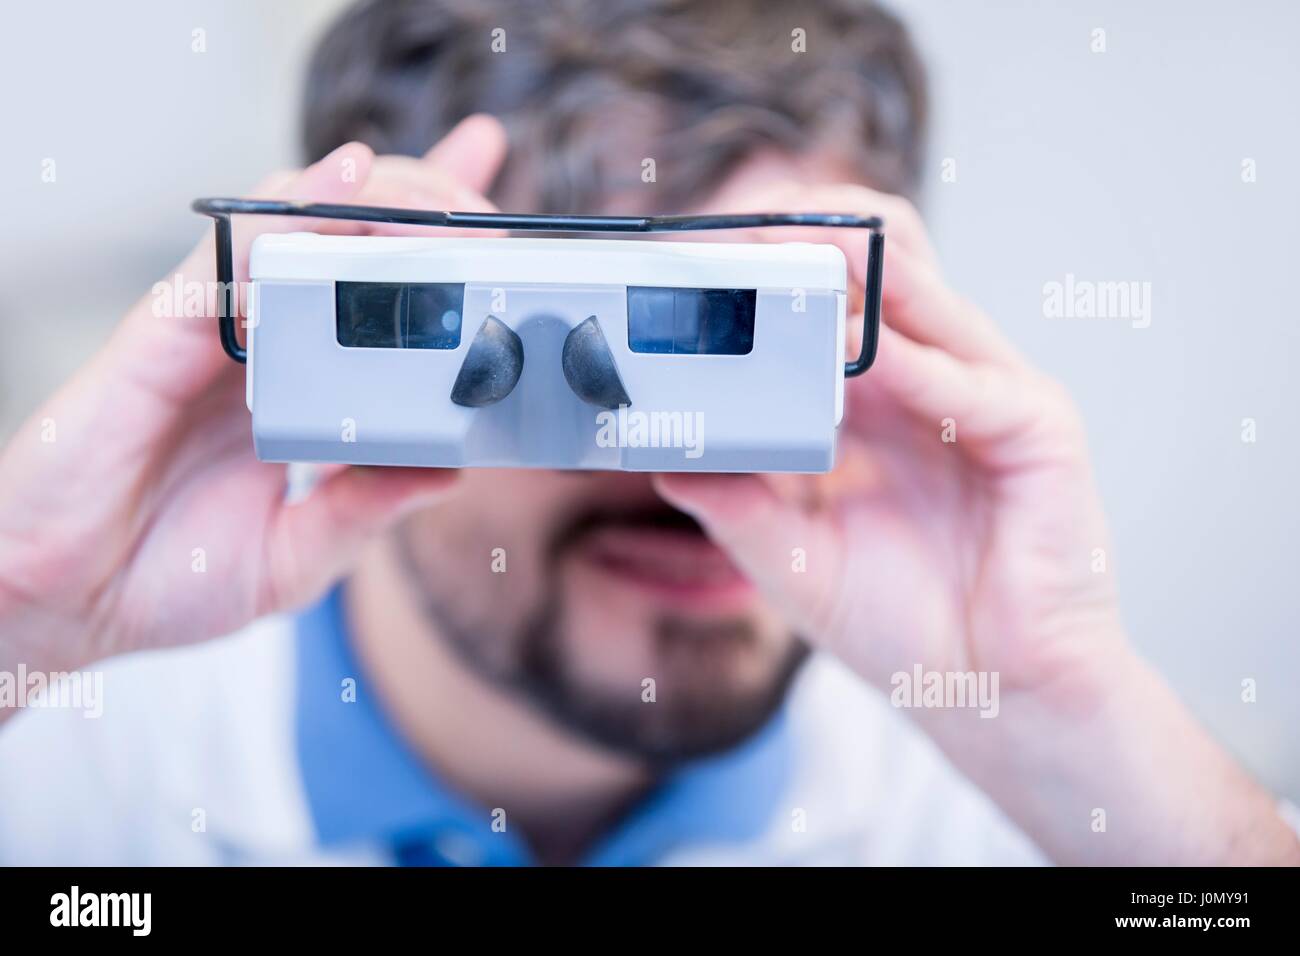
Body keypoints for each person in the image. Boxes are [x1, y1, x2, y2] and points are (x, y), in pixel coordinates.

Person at [0, 0, 1295, 866]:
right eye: (550, 340)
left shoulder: (1037, 812)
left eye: (747, 329)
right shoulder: (61, 776)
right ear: (350, 313)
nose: (685, 470)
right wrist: (27, 607)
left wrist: (1054, 711)